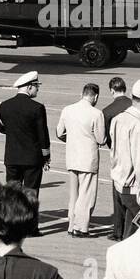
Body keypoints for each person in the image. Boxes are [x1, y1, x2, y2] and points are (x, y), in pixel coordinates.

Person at [109, 79, 140, 241]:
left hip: (119, 182)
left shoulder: (119, 118)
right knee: (136, 237)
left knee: (128, 233)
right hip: (135, 189)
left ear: (132, 96)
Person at [55, 82, 105, 237]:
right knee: (86, 195)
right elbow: (101, 138)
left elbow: (59, 132)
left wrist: (70, 139)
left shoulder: (68, 110)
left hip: (72, 156)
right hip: (88, 158)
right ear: (95, 96)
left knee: (74, 195)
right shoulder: (96, 114)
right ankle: (81, 227)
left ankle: (71, 225)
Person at [0, 71, 50, 212]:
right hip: (32, 158)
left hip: (12, 156)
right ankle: (30, 226)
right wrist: (46, 156)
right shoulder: (37, 108)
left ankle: (11, 222)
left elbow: (1, 128)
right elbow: (43, 135)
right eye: (36, 86)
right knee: (31, 193)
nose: (38, 89)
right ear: (29, 87)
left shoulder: (4, 105)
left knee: (12, 193)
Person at [100, 75, 132, 141]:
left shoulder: (107, 111)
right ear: (125, 89)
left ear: (112, 91)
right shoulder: (135, 105)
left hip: (118, 146)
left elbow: (108, 135)